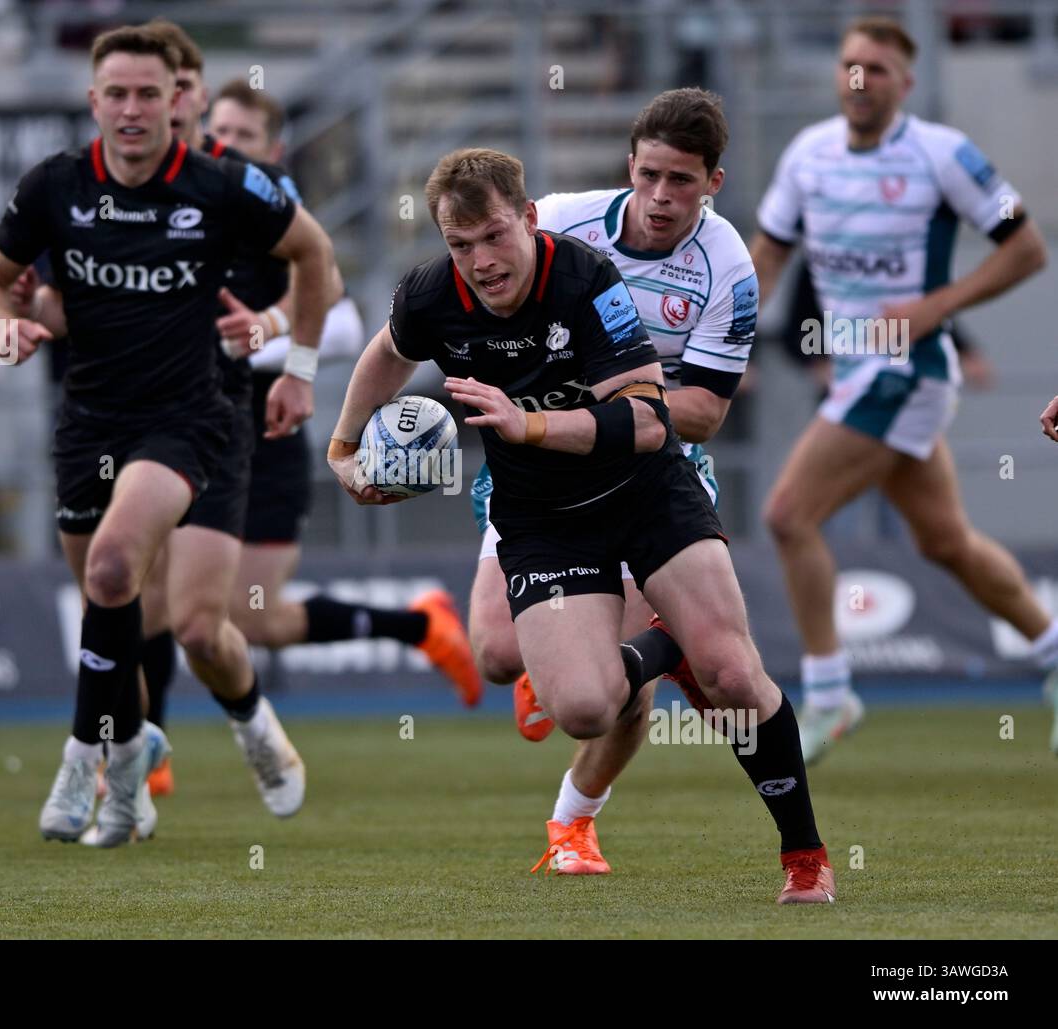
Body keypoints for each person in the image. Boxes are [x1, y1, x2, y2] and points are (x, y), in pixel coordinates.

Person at [328, 147, 835, 903]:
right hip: (543, 519)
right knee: (583, 707)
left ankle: (805, 853)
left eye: (495, 236)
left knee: (731, 671)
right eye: (460, 245)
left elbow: (647, 421)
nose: (481, 261)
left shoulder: (586, 278)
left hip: (644, 491)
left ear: (529, 219)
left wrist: (523, 425)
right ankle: (668, 646)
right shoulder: (431, 294)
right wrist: (344, 444)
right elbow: (387, 353)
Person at [0, 25, 335, 846]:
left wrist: (298, 364)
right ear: (94, 102)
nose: (132, 109)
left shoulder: (228, 185)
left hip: (196, 417)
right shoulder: (55, 187)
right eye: (115, 94)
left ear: (178, 100)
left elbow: (317, 256)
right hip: (89, 420)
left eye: (148, 93)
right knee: (116, 607)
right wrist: (5, 324)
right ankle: (130, 777)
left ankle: (106, 753)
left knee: (153, 594)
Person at [464, 89, 757, 875]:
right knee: (494, 655)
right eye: (651, 175)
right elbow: (486, 302)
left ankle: (573, 823)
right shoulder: (558, 220)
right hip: (538, 471)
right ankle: (656, 645)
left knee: (612, 693)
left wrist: (602, 392)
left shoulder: (727, 265)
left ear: (713, 183)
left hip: (648, 474)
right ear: (629, 166)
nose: (662, 198)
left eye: (683, 182)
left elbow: (701, 413)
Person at [752, 16, 1057, 762]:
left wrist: (938, 306)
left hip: (909, 368)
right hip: (855, 373)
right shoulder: (807, 154)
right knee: (946, 542)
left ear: (906, 83)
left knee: (789, 514)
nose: (861, 80)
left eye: (878, 69)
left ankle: (828, 693)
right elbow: (767, 256)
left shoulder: (942, 154)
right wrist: (719, 346)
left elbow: (1026, 248)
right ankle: (1054, 650)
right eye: (851, 65)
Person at [205, 77, 482, 709]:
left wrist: (256, 339)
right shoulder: (187, 216)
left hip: (264, 438)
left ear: (273, 153)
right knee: (157, 600)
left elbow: (348, 326)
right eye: (218, 133)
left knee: (252, 619)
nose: (228, 146)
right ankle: (136, 759)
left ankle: (418, 627)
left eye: (244, 136)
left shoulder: (285, 227)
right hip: (184, 435)